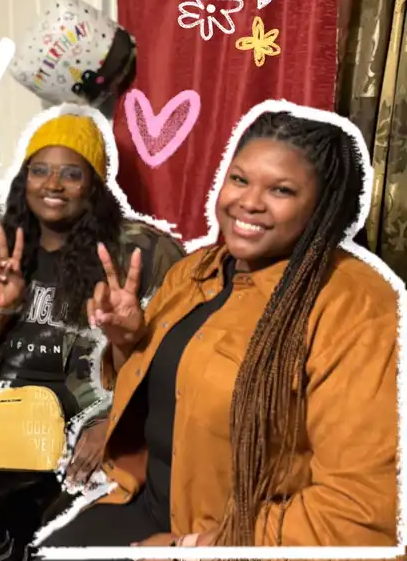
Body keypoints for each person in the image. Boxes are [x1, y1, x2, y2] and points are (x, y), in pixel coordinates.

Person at [40, 106, 400, 549]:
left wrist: (193, 548)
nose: (249, 202)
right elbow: (167, 396)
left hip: (236, 540)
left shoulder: (359, 308)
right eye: (240, 179)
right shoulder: (196, 271)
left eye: (281, 190)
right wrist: (127, 341)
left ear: (322, 206)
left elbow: (362, 510)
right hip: (146, 501)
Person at [0, 113, 185, 559]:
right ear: (24, 179)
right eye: (40, 170)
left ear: (94, 185)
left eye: (71, 174)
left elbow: (178, 350)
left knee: (59, 539)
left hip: (84, 416)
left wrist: (115, 421)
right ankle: (3, 552)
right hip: (10, 413)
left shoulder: (140, 249)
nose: (53, 184)